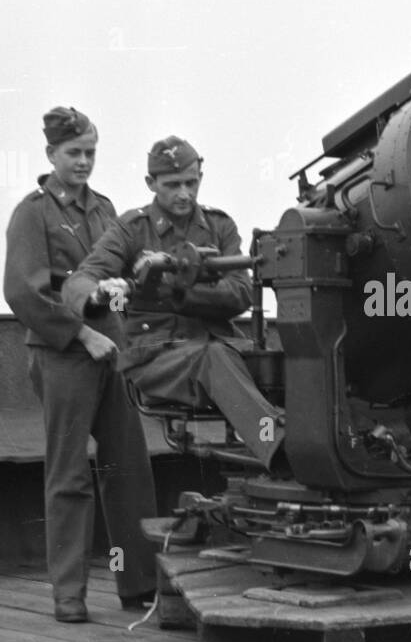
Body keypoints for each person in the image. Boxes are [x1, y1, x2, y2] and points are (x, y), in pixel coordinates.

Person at [3, 106, 158, 623]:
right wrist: (81, 333)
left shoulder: (107, 209)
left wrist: (137, 277)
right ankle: (68, 594)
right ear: (51, 155)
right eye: (74, 153)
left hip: (111, 352)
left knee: (130, 469)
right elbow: (22, 292)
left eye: (91, 151)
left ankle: (139, 585)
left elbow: (111, 275)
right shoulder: (33, 213)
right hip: (62, 355)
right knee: (69, 476)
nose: (84, 161)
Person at [62, 135, 286, 470]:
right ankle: (282, 450)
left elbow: (240, 291)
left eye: (191, 183)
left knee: (292, 365)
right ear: (151, 183)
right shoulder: (131, 229)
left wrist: (175, 291)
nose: (184, 194)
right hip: (157, 358)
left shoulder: (219, 226)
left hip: (219, 351)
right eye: (173, 185)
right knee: (214, 357)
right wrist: (98, 294)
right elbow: (77, 281)